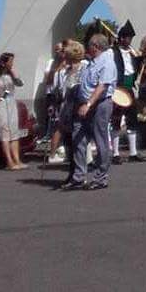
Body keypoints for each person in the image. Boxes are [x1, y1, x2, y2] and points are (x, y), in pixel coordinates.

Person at [63, 32, 117, 191]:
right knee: (77, 138)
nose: (87, 47)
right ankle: (78, 177)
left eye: (90, 44)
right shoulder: (91, 63)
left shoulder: (107, 63)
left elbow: (102, 86)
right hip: (83, 105)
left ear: (96, 46)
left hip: (99, 105)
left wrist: (88, 103)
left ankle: (101, 177)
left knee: (100, 141)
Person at [111, 20, 146, 163]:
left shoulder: (132, 53)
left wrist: (141, 58)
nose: (129, 41)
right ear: (121, 38)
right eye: (128, 38)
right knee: (116, 119)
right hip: (118, 88)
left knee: (132, 119)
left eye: (131, 38)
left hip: (129, 88)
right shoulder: (113, 52)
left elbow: (137, 68)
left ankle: (133, 152)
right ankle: (115, 153)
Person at [54, 40, 85, 185]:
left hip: (78, 107)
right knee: (68, 142)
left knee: (78, 142)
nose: (64, 56)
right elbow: (60, 90)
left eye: (66, 53)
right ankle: (72, 172)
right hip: (66, 108)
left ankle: (79, 174)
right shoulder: (63, 71)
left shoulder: (84, 68)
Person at [43, 41, 66, 160]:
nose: (58, 52)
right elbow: (49, 81)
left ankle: (63, 150)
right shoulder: (52, 63)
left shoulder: (68, 63)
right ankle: (52, 154)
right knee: (58, 126)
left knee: (63, 127)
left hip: (65, 97)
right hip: (56, 97)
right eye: (56, 50)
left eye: (61, 50)